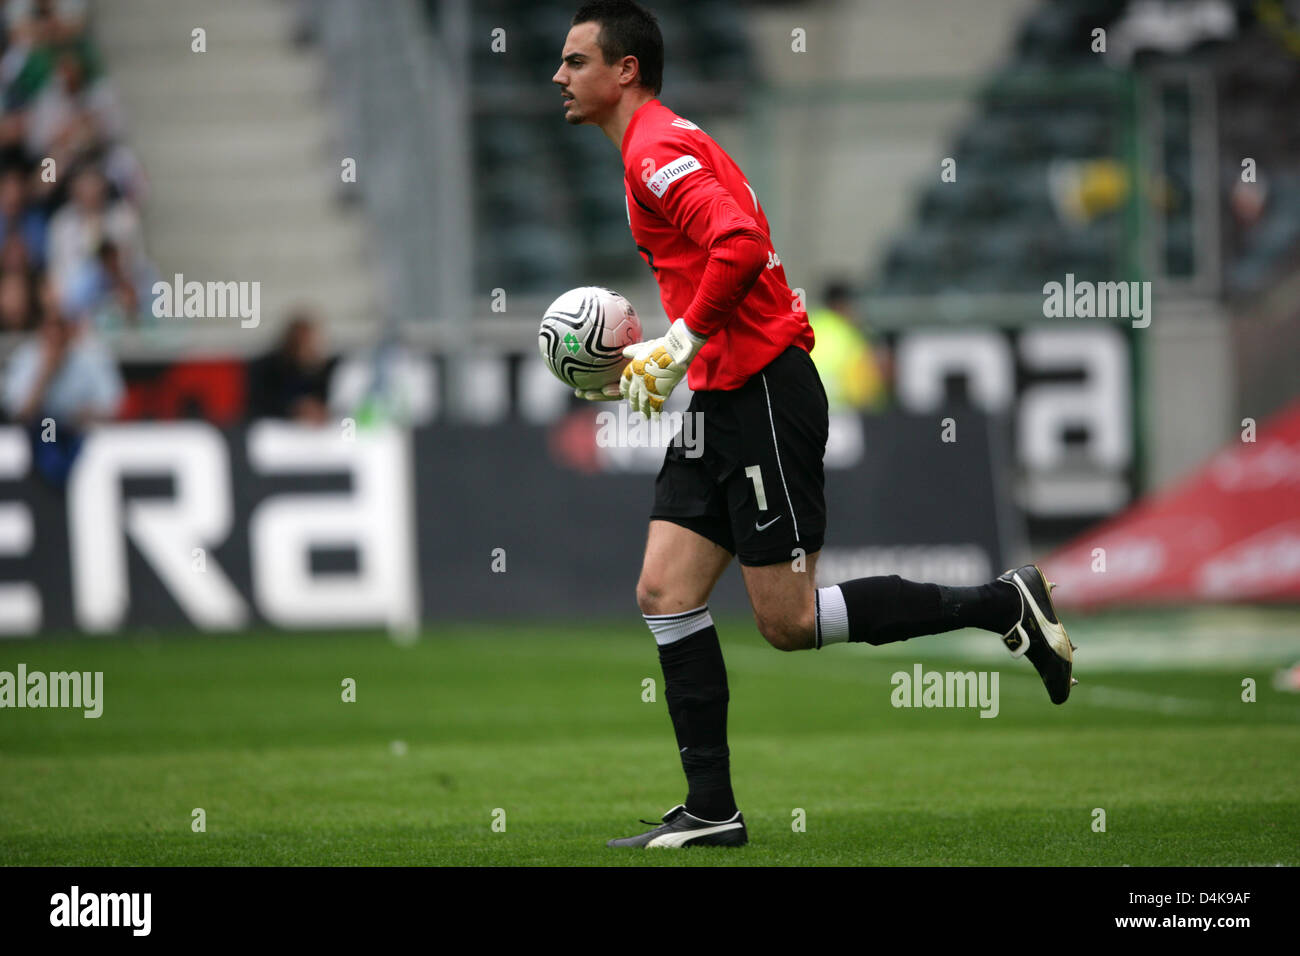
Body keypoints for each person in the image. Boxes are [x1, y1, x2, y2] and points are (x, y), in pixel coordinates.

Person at [554, 0, 1076, 850]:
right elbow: (721, 260)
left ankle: (996, 601)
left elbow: (740, 246)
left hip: (759, 390)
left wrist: (682, 342)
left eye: (576, 60)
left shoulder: (653, 150)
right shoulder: (656, 147)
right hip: (725, 393)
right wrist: (661, 353)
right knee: (664, 592)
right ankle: (712, 810)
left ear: (626, 71)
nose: (559, 75)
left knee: (788, 623)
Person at [806, 280, 888, 412]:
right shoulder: (850, 335)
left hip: (807, 409)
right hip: (841, 413)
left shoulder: (809, 325)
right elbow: (863, 389)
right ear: (842, 305)